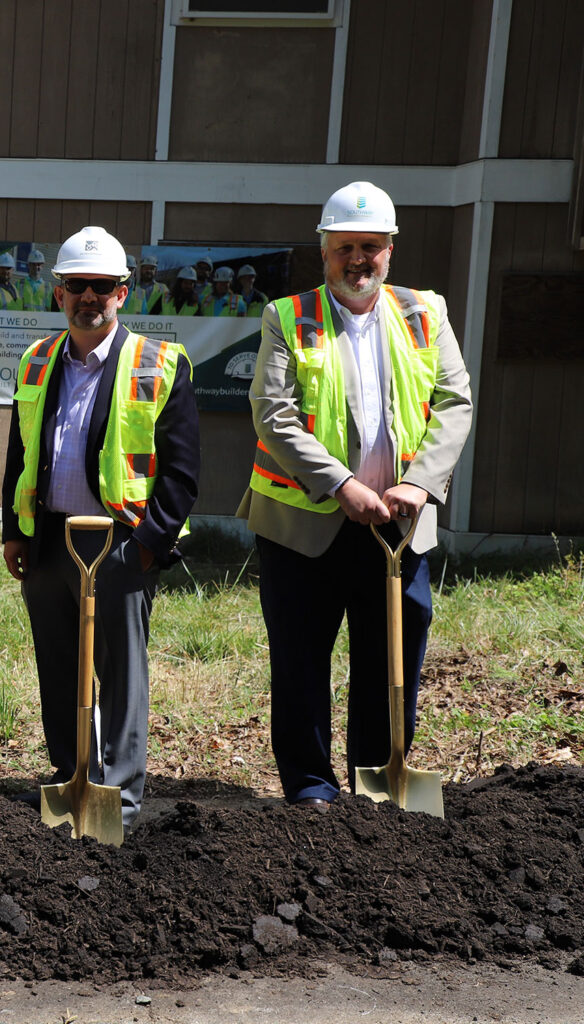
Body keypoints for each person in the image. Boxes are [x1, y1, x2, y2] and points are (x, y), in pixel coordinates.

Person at [237, 181, 473, 809]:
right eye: (344, 247)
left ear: (390, 249)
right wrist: (342, 485)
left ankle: (379, 780)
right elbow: (273, 413)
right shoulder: (287, 317)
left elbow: (454, 402)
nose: (357, 259)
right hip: (303, 526)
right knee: (300, 659)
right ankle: (311, 787)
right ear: (324, 251)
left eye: (370, 246)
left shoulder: (426, 313)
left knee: (392, 657)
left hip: (398, 523)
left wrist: (419, 483)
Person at [1, 226, 200, 827]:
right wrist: (15, 531)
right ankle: (72, 781)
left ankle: (121, 801)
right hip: (50, 541)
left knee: (120, 676)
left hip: (121, 543)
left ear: (122, 292)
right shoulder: (37, 361)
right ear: (58, 292)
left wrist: (148, 546)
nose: (89, 296)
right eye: (77, 285)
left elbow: (182, 471)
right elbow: (20, 451)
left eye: (102, 285)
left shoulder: (159, 363)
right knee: (59, 667)